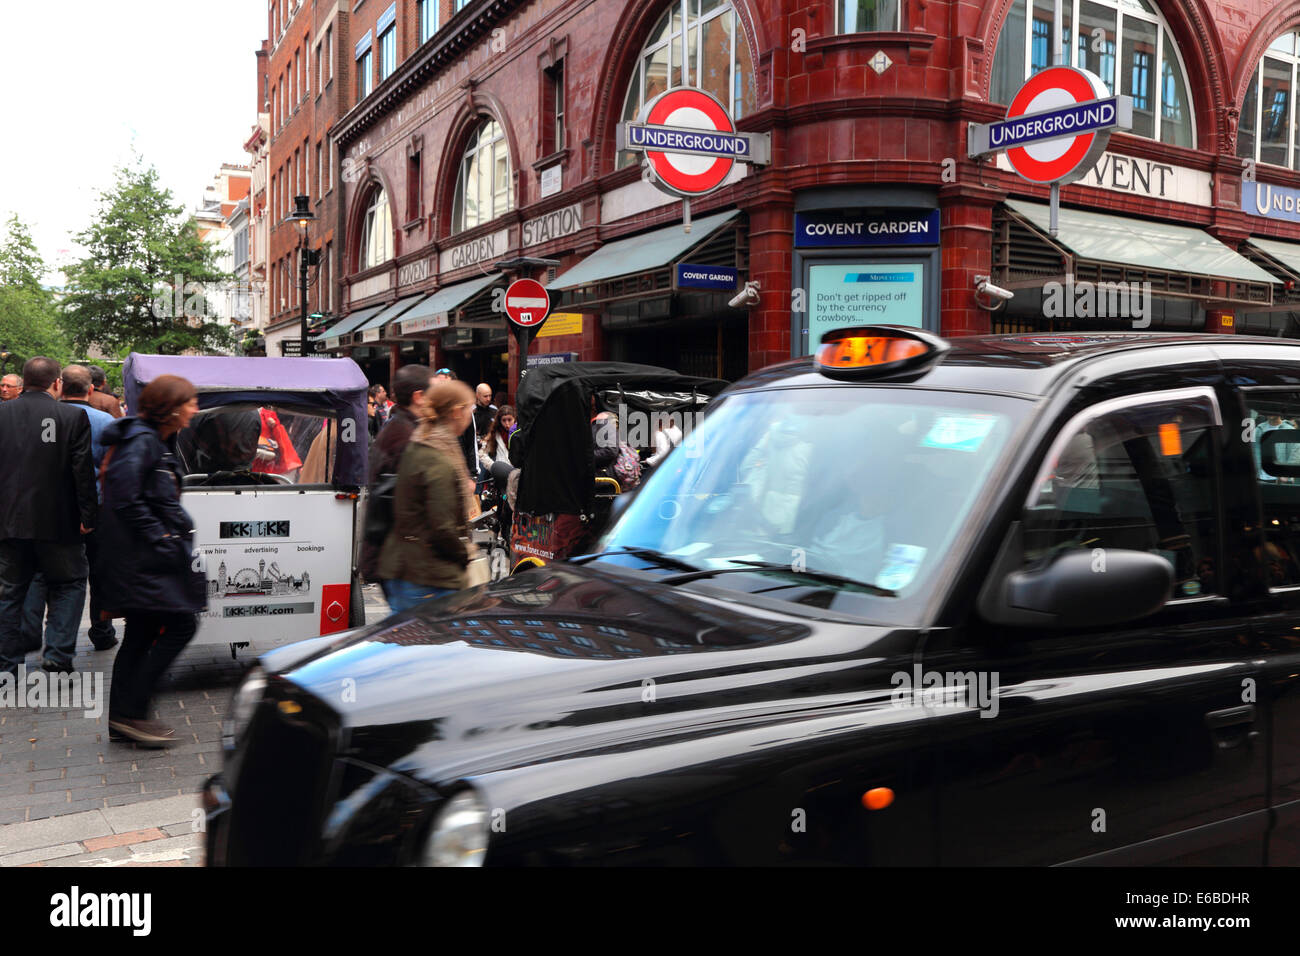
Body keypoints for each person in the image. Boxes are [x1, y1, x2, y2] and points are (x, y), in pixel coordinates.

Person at [97, 375, 205, 746]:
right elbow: (126, 498)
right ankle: (132, 710)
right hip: (144, 561)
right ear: (173, 408)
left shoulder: (151, 440)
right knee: (180, 627)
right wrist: (163, 538)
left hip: (143, 558)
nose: (195, 408)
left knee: (141, 634)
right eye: (190, 401)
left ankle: (124, 718)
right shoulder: (142, 442)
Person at [0, 358, 98, 677]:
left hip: (9, 522)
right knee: (69, 585)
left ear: (23, 382)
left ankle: (7, 663)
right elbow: (81, 471)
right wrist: (88, 514)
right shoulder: (71, 416)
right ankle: (57, 655)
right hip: (60, 523)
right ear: (57, 383)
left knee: (10, 592)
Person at [20, 365, 118, 653]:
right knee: (98, 574)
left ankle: (43, 634)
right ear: (91, 389)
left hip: (52, 511)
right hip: (97, 511)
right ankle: (101, 631)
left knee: (47, 574)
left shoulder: (46, 420)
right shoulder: (107, 423)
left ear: (61, 387)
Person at [376, 380, 477, 612]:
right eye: (469, 410)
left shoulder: (420, 444)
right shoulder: (439, 458)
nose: (470, 416)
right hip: (428, 576)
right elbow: (442, 526)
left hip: (409, 568)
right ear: (456, 412)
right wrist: (464, 554)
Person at [360, 363, 432, 594]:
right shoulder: (405, 437)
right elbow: (407, 507)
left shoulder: (400, 429)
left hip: (396, 561)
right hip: (402, 565)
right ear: (419, 397)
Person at [434, 367, 479, 478]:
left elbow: (471, 443)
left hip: (460, 475)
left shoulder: (465, 411)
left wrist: (473, 474)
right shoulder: (429, 411)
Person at [478, 405, 516, 472]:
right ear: (499, 421)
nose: (507, 424)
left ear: (514, 418)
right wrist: (493, 467)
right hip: (501, 473)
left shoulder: (521, 432)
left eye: (509, 420)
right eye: (504, 420)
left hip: (517, 473)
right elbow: (481, 452)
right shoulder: (495, 433)